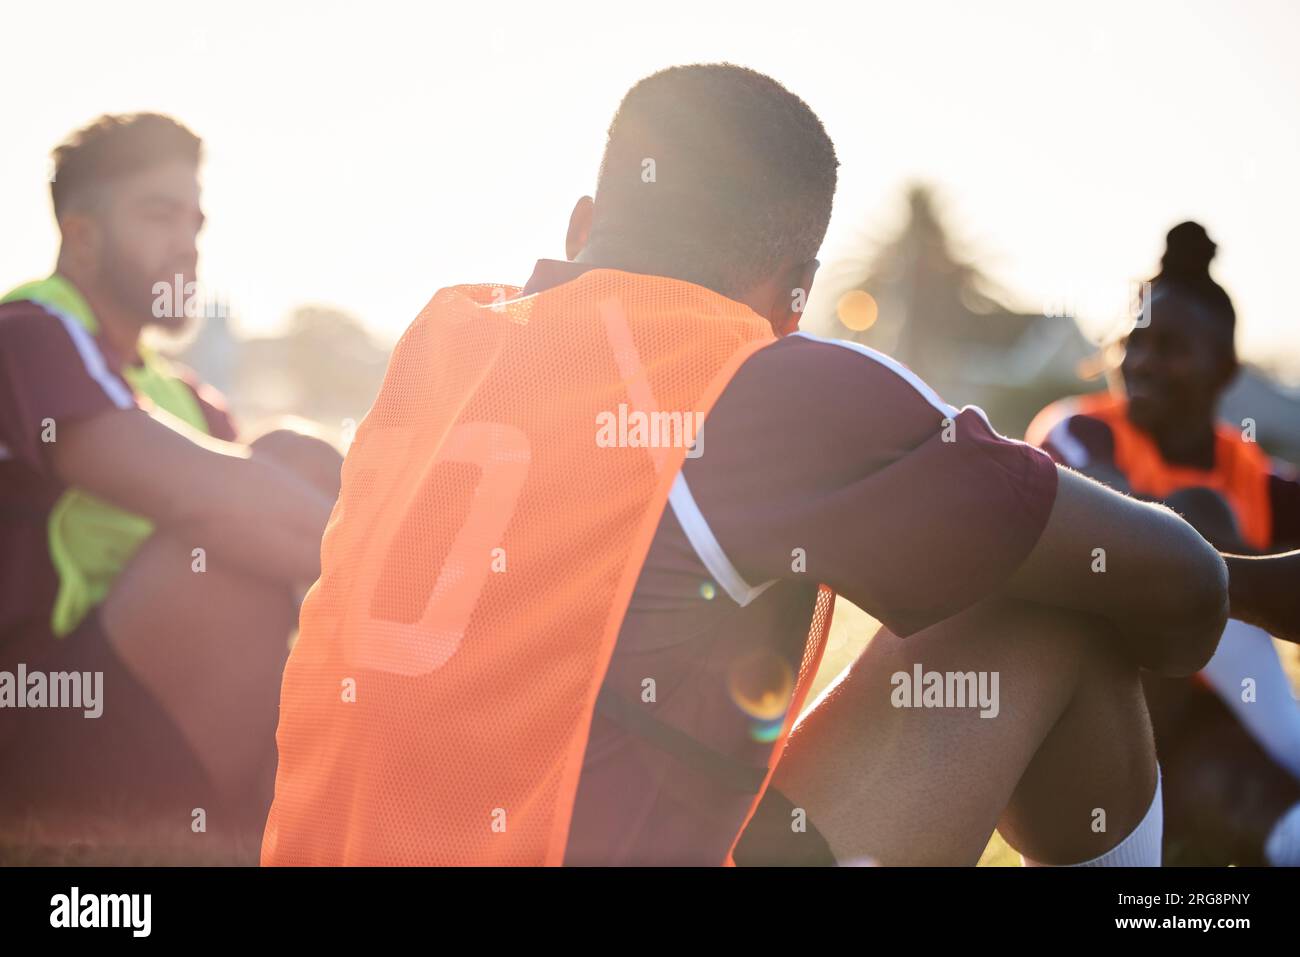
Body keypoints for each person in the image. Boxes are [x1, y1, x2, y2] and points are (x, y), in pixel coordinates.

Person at [261, 64, 1300, 867]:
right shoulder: (762, 381)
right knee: (1047, 605)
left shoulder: (444, 339)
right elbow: (1181, 584)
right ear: (797, 288)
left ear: (583, 226)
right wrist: (1256, 586)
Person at [0, 113, 340, 858]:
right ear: (82, 236)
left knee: (294, 456)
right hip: (46, 728)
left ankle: (317, 785)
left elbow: (264, 494)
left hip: (151, 714)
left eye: (195, 220)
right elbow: (206, 500)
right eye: (159, 214)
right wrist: (409, 572)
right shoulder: (28, 334)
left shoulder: (183, 393)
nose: (187, 243)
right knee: (228, 541)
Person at [1024, 221, 1300, 866]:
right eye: (1133, 342)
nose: (1142, 362)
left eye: (1172, 346)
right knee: (1190, 527)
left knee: (1255, 809)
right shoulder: (1078, 432)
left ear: (1224, 368)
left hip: (1199, 731)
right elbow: (1130, 524)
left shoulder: (1253, 472)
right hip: (1090, 715)